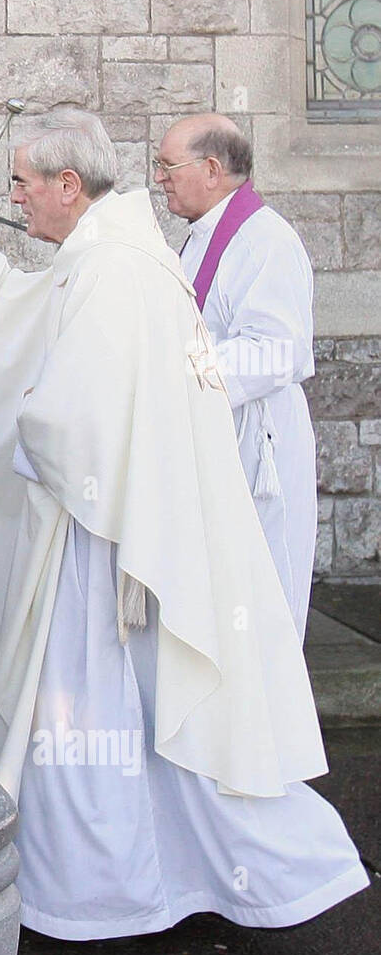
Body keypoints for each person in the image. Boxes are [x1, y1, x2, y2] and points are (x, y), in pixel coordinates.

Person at [0, 108, 368, 942]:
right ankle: (133, 885)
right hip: (112, 520)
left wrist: (21, 437)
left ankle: (113, 893)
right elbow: (26, 320)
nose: (14, 196)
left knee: (96, 713)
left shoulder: (117, 263)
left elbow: (75, 414)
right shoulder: (105, 252)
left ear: (67, 186)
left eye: (20, 183)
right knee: (125, 719)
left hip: (105, 533)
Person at [157, 113, 317, 636]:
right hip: (220, 442)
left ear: (210, 169)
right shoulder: (202, 236)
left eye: (167, 166)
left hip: (259, 446)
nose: (159, 178)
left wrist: (177, 372)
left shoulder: (264, 240)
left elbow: (278, 349)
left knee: (264, 605)